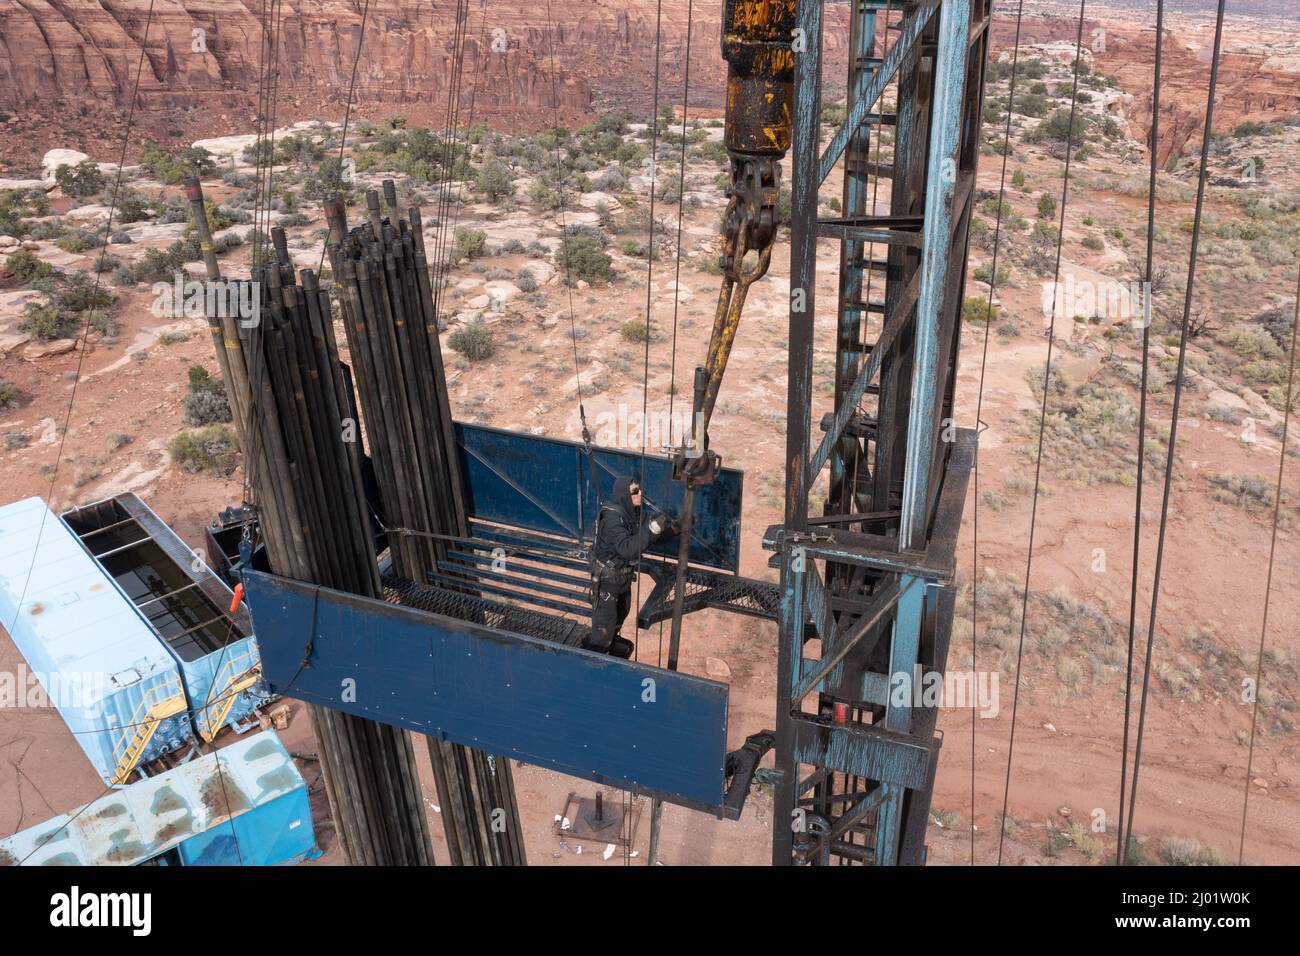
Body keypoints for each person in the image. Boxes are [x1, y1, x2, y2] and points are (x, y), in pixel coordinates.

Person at [587, 476, 679, 658]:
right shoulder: (613, 518)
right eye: (635, 492)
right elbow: (628, 548)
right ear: (624, 494)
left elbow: (648, 537)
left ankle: (610, 655)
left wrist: (674, 530)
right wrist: (650, 530)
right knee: (603, 631)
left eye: (639, 490)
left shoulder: (633, 512)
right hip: (607, 582)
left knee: (620, 617)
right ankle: (594, 665)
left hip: (621, 580)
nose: (640, 494)